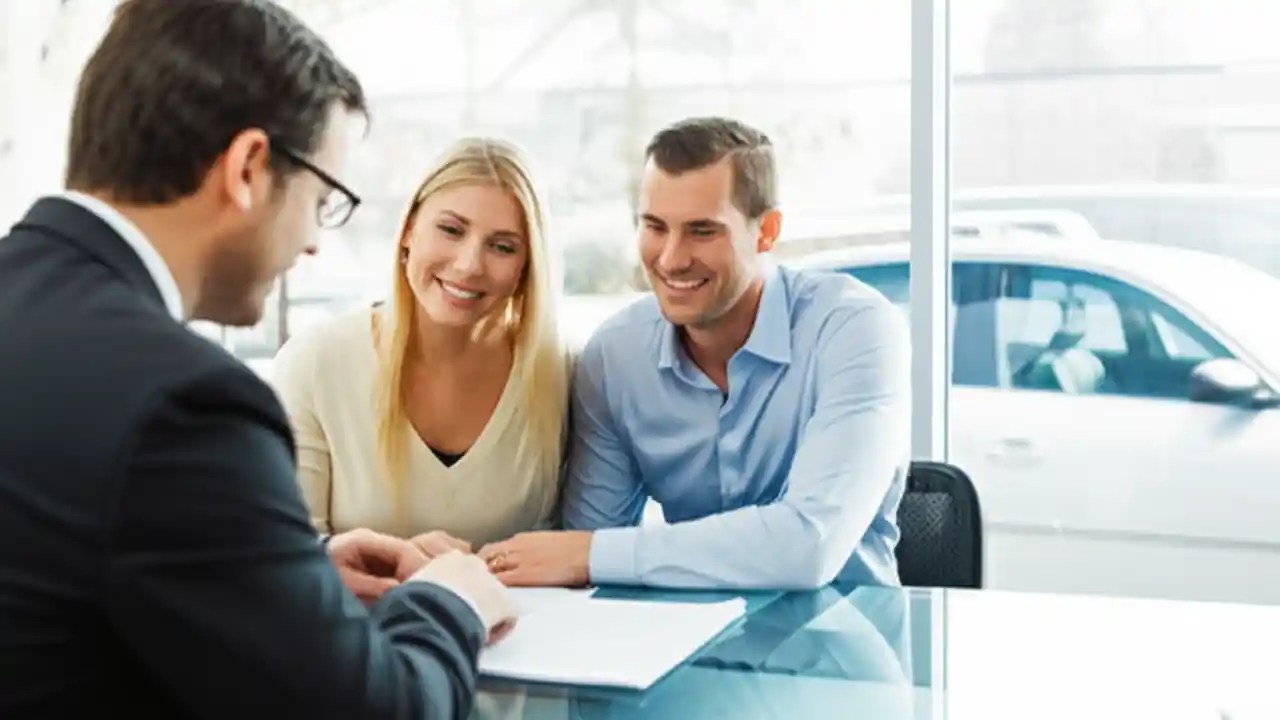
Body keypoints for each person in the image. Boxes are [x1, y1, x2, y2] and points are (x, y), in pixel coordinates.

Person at [0, 1, 515, 717]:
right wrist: (448, 602)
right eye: (321, 197)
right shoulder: (187, 402)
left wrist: (291, 575)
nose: (312, 243)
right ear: (248, 167)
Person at [479, 117, 911, 590]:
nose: (670, 258)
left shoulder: (855, 329)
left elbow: (808, 546)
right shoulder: (615, 359)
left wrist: (590, 553)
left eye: (702, 231)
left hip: (845, 646)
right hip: (683, 647)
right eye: (655, 227)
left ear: (766, 232)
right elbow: (585, 556)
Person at [270, 137, 569, 557]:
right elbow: (283, 554)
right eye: (450, 230)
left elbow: (568, 553)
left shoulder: (559, 374)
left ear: (527, 265)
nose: (468, 265)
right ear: (409, 228)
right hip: (359, 621)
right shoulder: (316, 362)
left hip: (518, 621)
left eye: (502, 247)